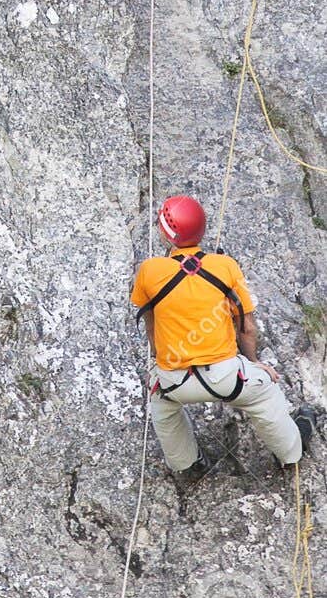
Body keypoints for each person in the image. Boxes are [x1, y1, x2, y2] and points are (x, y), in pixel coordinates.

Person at [131, 194, 314, 478]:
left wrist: (159, 361)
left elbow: (152, 324)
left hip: (175, 380)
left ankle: (188, 465)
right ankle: (291, 453)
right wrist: (253, 362)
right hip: (227, 377)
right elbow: (247, 327)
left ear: (166, 234)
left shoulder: (149, 271)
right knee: (264, 394)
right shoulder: (224, 266)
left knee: (162, 404)